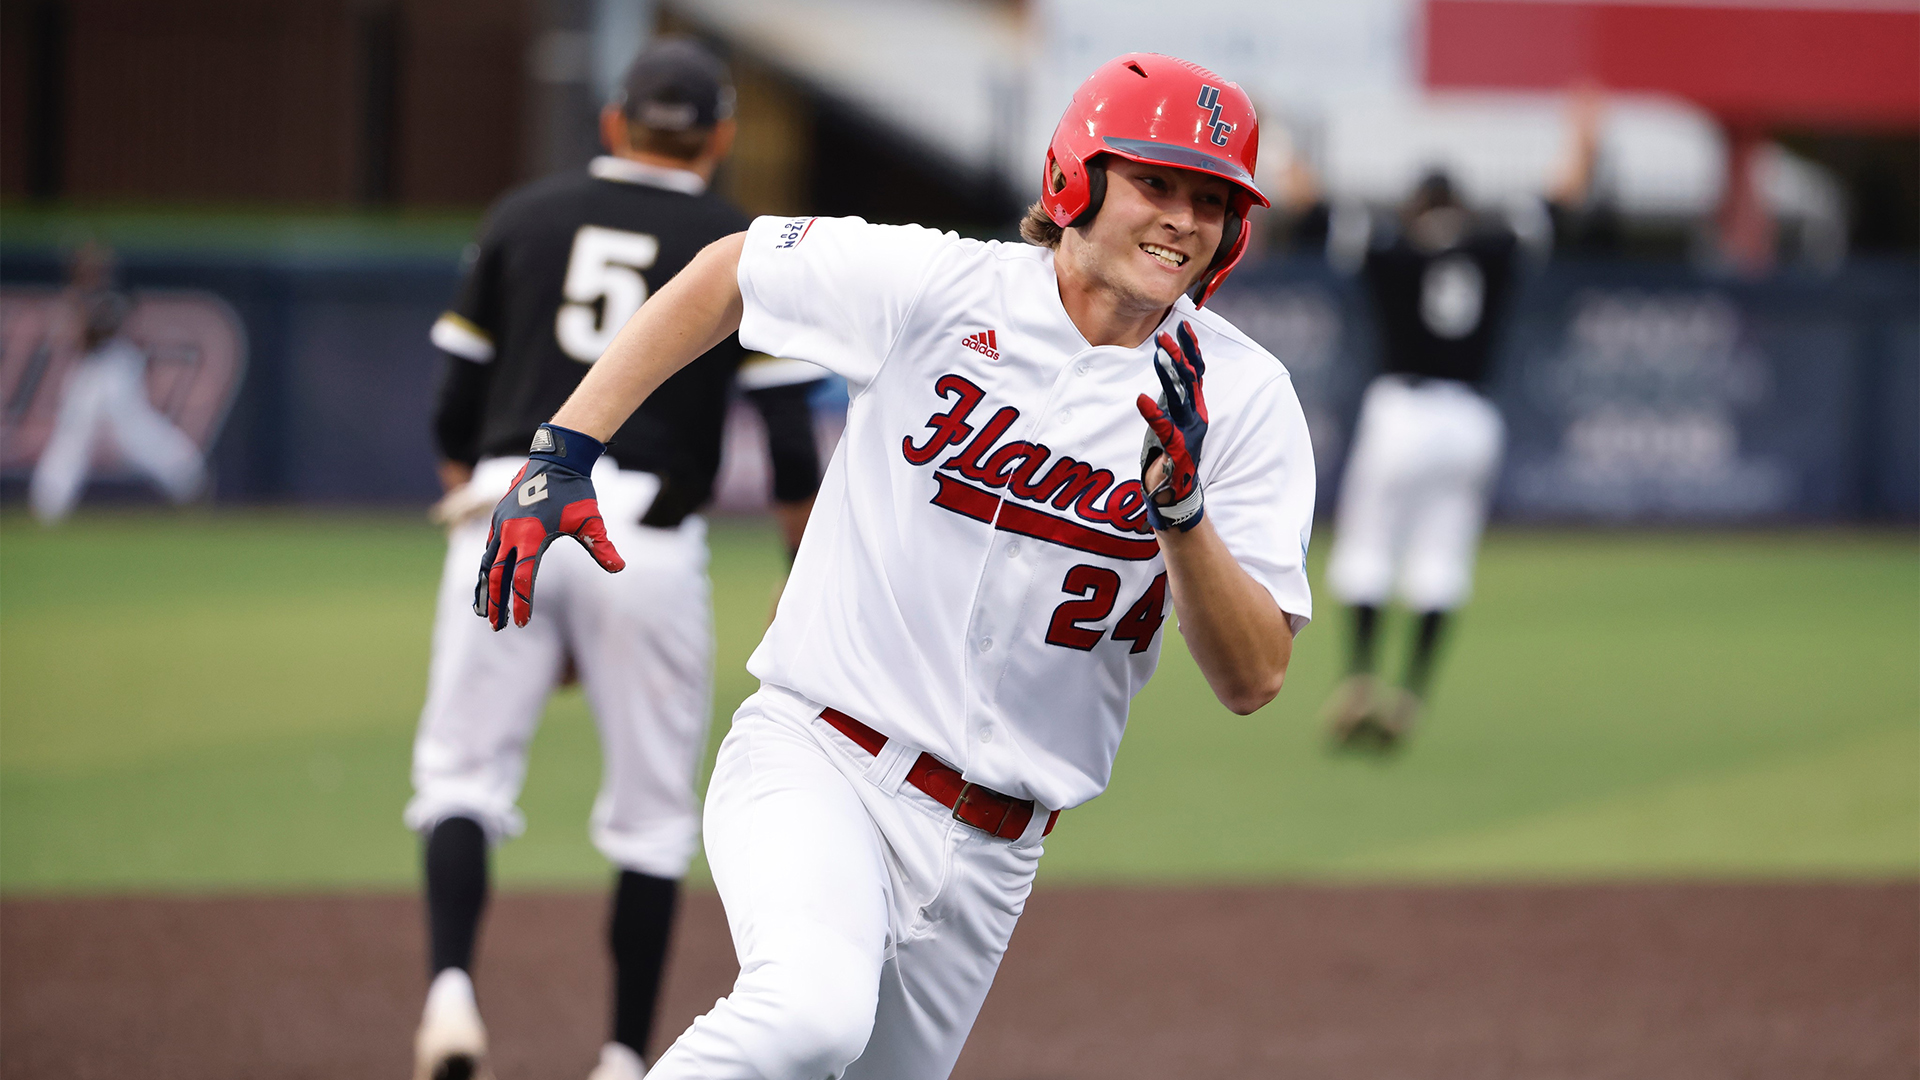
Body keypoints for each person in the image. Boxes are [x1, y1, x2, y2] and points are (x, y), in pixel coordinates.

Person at [470, 53, 1315, 1079]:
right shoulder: (944, 286)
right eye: (1157, 182)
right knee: (809, 1015)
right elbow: (733, 271)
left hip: (996, 851)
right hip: (821, 758)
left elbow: (1253, 676)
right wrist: (565, 448)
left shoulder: (1246, 397)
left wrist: (1181, 516)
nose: (1186, 218)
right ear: (1075, 180)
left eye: (1214, 198)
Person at [406, 39, 824, 1080]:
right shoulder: (738, 243)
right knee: (647, 818)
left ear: (612, 124)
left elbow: (452, 405)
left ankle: (451, 996)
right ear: (720, 139)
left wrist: (488, 523)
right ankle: (625, 1058)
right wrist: (802, 580)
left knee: (460, 774)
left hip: (508, 502)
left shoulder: (521, 217)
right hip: (643, 529)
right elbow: (785, 445)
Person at [1296, 97, 1602, 752]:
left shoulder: (1392, 249)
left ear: (1414, 207)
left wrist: (1276, 138)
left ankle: (1357, 679)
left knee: (1369, 548)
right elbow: (1565, 193)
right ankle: (1410, 696)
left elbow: (1311, 206)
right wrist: (1583, 131)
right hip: (1472, 418)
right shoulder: (1494, 247)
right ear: (1459, 208)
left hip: (1402, 410)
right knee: (1441, 559)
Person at [28, 242, 206, 523]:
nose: (92, 270)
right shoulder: (76, 297)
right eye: (86, 265)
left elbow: (103, 330)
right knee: (73, 435)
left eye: (95, 265)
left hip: (114, 366)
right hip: (89, 369)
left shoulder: (112, 294)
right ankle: (49, 505)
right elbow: (75, 337)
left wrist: (81, 315)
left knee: (136, 430)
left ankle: (187, 477)